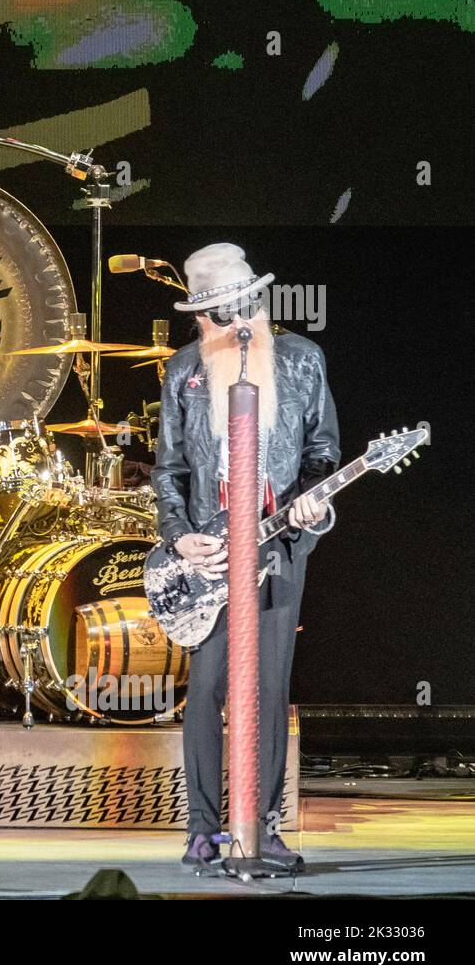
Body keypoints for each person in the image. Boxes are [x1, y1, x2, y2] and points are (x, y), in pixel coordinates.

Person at [151, 243, 340, 873]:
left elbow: (322, 455)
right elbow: (169, 471)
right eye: (210, 313)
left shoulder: (303, 362)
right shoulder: (184, 371)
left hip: (279, 548)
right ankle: (202, 829)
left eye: (236, 307)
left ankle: (262, 826)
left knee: (269, 686)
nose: (228, 322)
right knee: (206, 689)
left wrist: (313, 504)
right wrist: (179, 535)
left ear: (254, 302)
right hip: (207, 552)